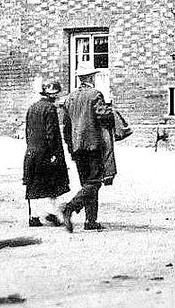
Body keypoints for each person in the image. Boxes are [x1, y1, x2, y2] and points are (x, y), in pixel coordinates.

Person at [59, 64, 117, 232]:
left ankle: (91, 220)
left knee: (86, 183)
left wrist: (71, 148)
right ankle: (69, 207)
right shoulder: (95, 95)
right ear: (91, 77)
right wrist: (110, 111)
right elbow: (103, 115)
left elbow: (66, 128)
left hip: (77, 147)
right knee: (94, 183)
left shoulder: (70, 98)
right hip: (93, 146)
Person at [23, 79, 69, 227]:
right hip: (46, 153)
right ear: (53, 95)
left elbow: (28, 131)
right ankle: (52, 213)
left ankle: (33, 217)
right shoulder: (50, 109)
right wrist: (54, 154)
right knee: (53, 184)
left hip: (32, 152)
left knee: (33, 185)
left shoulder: (32, 107)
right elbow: (51, 134)